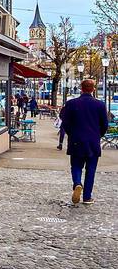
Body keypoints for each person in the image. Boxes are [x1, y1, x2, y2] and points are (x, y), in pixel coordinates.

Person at [57, 77, 109, 205]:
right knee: (91, 170)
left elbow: (66, 123)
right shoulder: (100, 105)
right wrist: (98, 135)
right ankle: (87, 197)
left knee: (76, 166)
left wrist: (72, 134)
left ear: (81, 89)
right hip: (93, 141)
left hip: (76, 140)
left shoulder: (72, 104)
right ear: (93, 90)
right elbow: (104, 125)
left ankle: (77, 184)